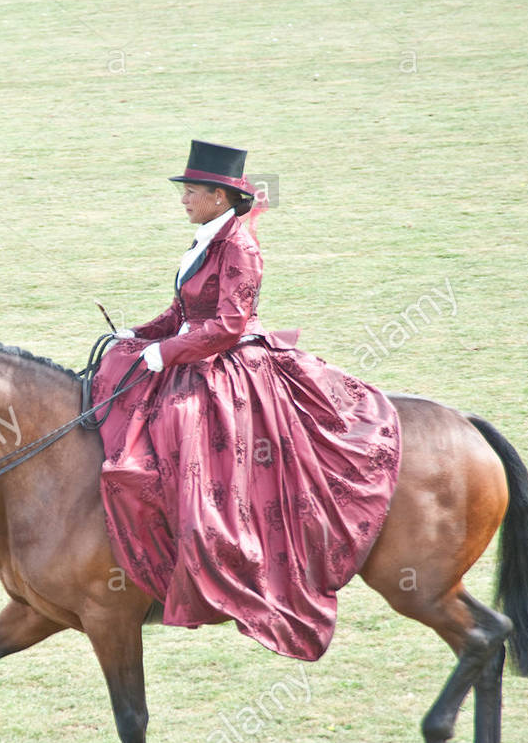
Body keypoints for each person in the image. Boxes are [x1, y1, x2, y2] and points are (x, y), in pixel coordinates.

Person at [92, 139, 402, 661]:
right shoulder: (206, 236)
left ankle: (214, 539)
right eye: (185, 190)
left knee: (180, 424)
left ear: (219, 195)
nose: (184, 198)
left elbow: (229, 324)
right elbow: (183, 311)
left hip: (231, 361)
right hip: (198, 349)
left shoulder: (239, 246)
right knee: (119, 370)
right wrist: (139, 335)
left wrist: (164, 355)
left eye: (192, 191)